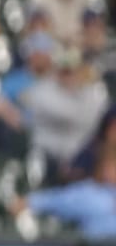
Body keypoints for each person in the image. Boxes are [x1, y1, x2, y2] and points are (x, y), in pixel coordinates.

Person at [23, 48, 109, 184]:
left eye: (73, 70)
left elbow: (102, 112)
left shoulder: (89, 92)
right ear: (56, 70)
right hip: (48, 158)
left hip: (80, 160)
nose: (69, 75)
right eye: (65, 70)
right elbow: (69, 115)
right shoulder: (43, 90)